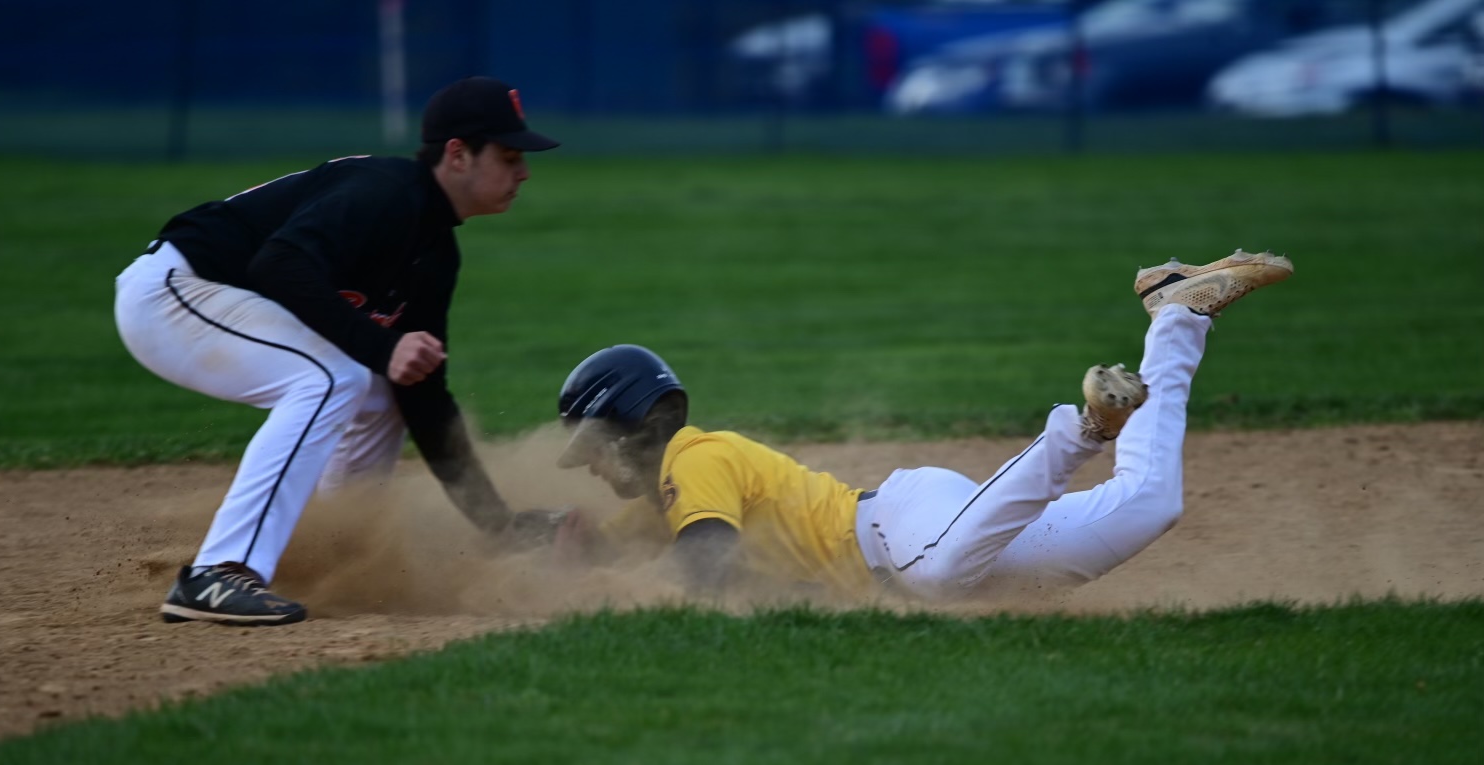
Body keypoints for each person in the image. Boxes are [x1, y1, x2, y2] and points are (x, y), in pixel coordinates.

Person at [547, 250, 1293, 602]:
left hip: (902, 535)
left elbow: (709, 570)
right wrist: (559, 552)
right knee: (1150, 503)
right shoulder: (666, 505)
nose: (591, 468)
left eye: (591, 449)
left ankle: (1084, 431)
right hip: (939, 547)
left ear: (631, 422)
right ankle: (1177, 313)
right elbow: (593, 553)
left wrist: (614, 584)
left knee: (938, 573)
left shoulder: (693, 460)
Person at [115, 76, 563, 626]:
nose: (524, 172)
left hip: (214, 300)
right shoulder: (384, 191)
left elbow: (422, 396)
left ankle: (335, 546)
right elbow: (278, 264)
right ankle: (218, 571)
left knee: (383, 392)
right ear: (457, 154)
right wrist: (381, 345)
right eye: (509, 155)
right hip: (175, 292)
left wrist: (499, 524)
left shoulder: (435, 254)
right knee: (332, 379)